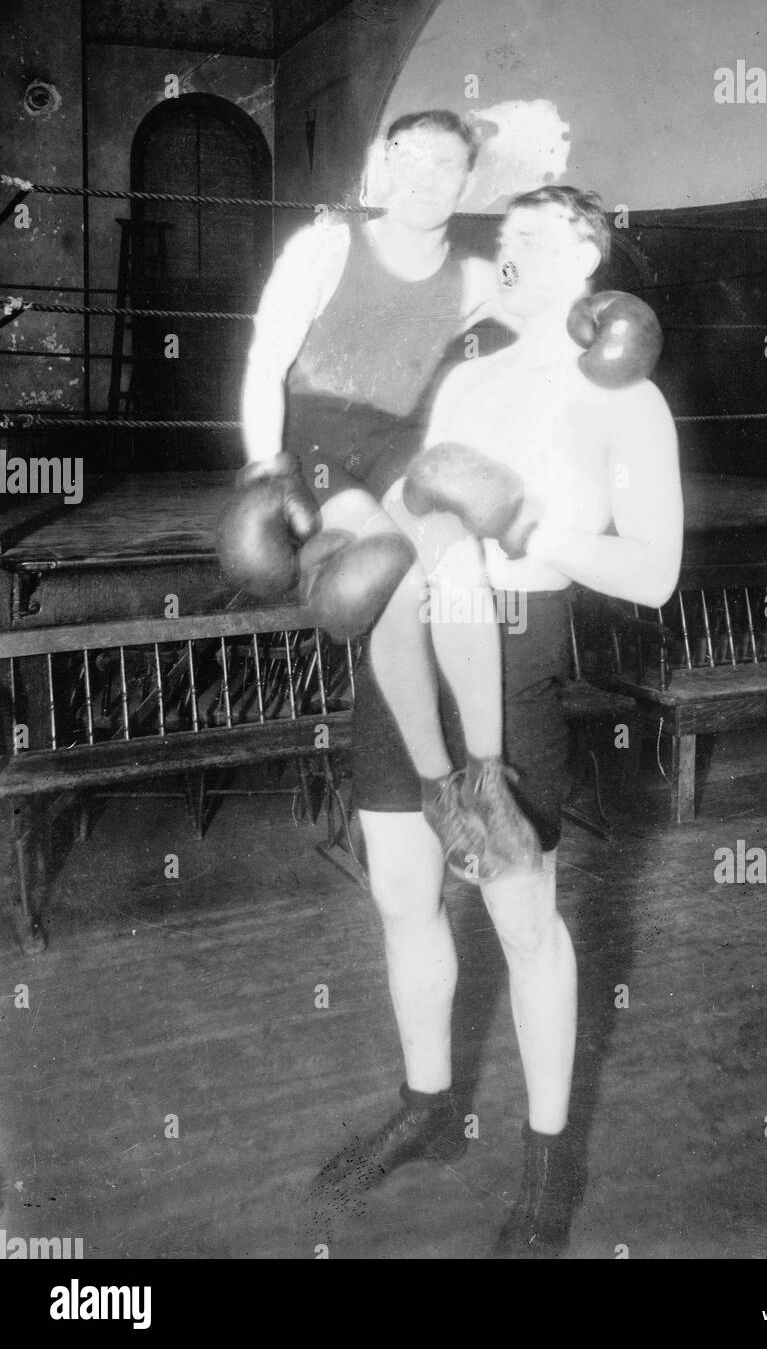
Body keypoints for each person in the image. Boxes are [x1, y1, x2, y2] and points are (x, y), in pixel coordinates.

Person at [314, 185, 684, 1257]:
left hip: (515, 648)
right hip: (410, 637)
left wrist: (528, 520)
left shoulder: (623, 398)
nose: (507, 249)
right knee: (400, 895)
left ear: (589, 260)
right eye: (502, 235)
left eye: (533, 235)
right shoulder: (466, 378)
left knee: (524, 921)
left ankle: (549, 1159)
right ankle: (429, 1107)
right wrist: (336, 539)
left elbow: (653, 574)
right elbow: (412, 514)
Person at [221, 109, 541, 880]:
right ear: (383, 164)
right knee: (398, 579)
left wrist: (588, 324)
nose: (427, 179)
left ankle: (488, 780)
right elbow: (265, 358)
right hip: (318, 450)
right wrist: (266, 471)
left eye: (446, 167)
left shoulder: (470, 275)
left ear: (468, 181)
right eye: (413, 160)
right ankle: (435, 786)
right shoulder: (328, 245)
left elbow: (543, 314)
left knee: (459, 562)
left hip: (396, 442)